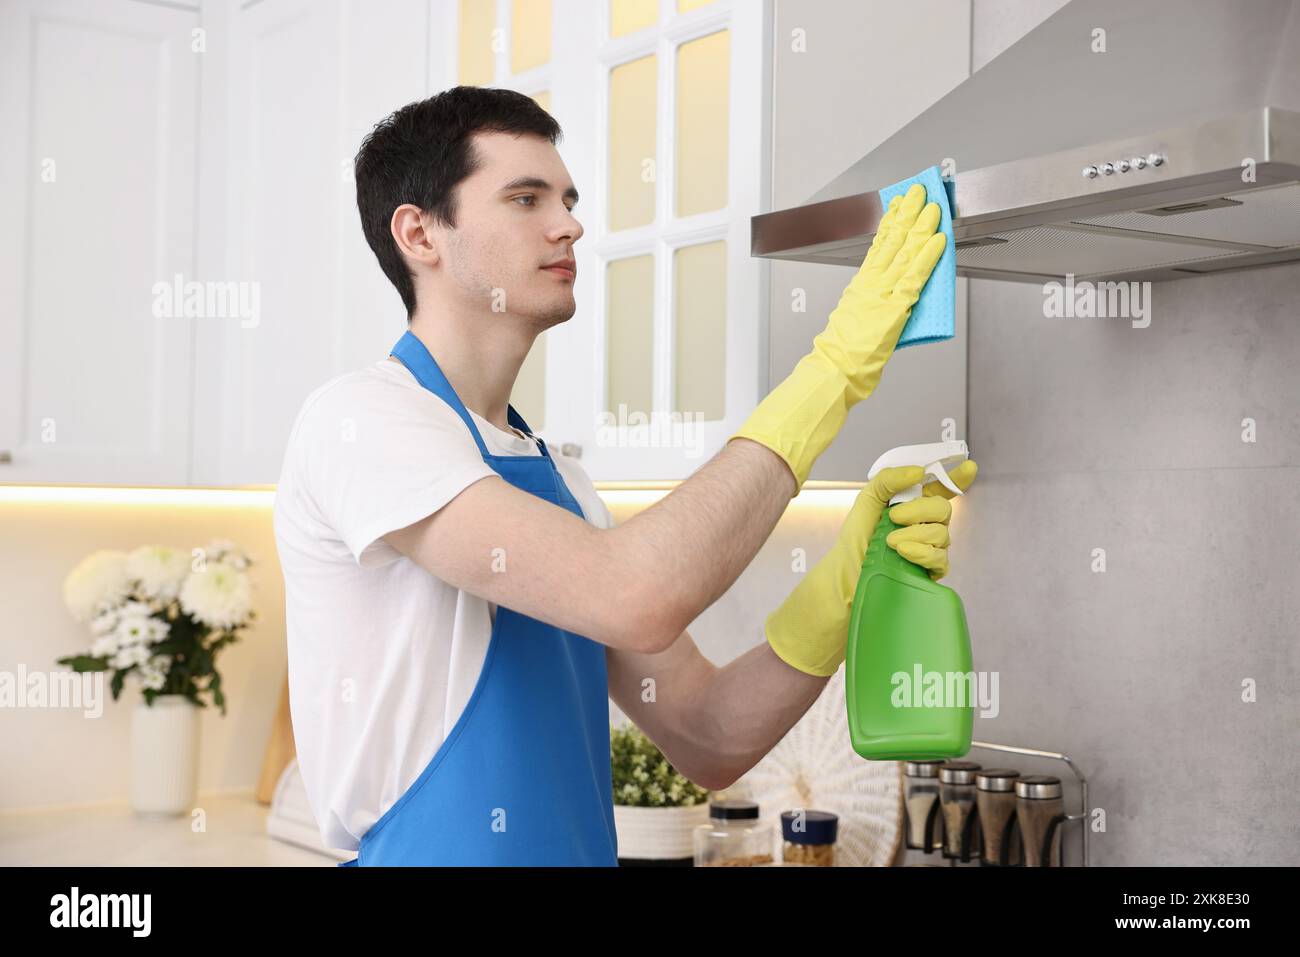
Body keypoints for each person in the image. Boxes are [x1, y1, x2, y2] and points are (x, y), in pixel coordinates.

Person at [272, 86, 976, 866]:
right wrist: (836, 368)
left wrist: (844, 584)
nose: (569, 224)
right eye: (526, 198)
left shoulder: (564, 485)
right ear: (419, 233)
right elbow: (634, 593)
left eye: (568, 200)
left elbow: (710, 733)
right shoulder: (361, 421)